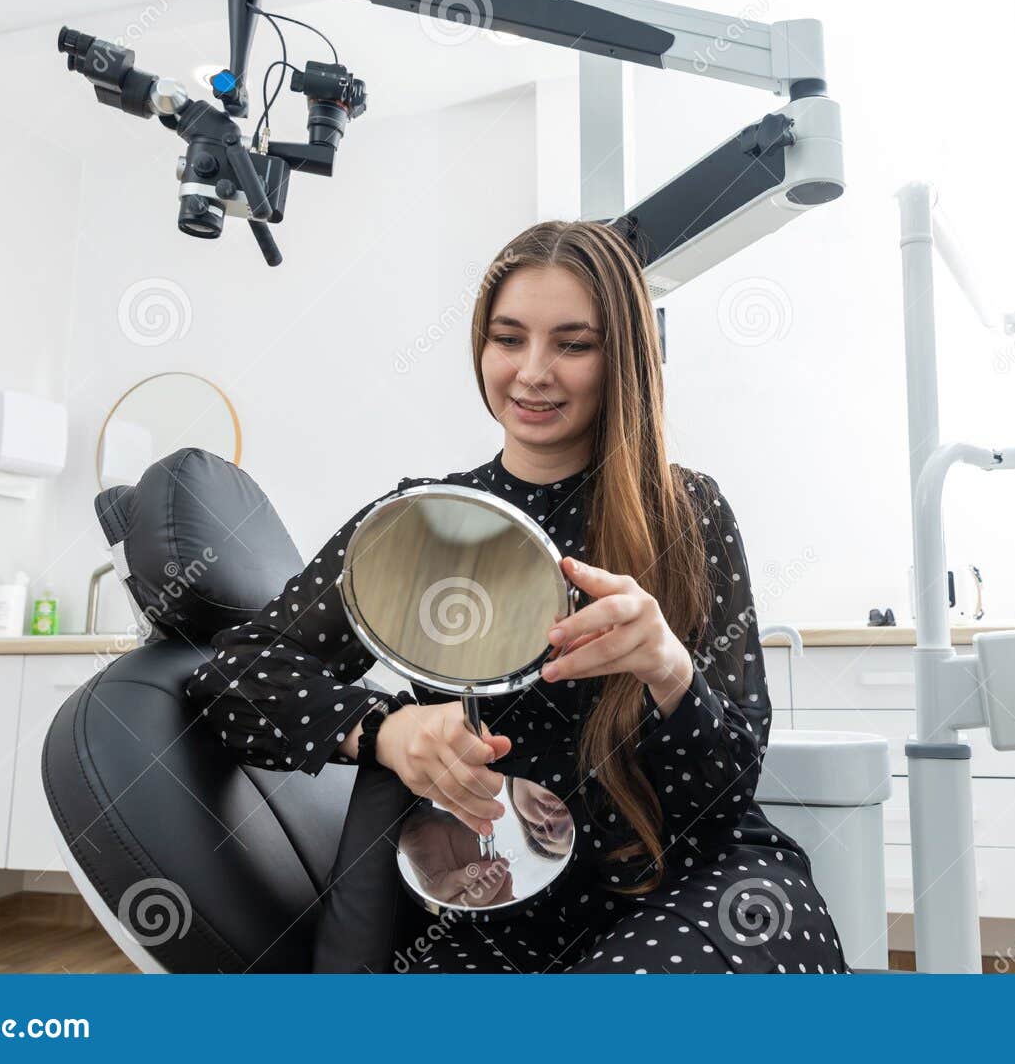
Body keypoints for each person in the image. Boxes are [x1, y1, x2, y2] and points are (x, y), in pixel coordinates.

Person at [185, 219, 849, 974]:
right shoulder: (420, 521)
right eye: (508, 339)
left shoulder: (688, 513)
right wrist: (384, 731)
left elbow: (727, 790)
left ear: (622, 357)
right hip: (493, 903)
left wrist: (670, 670)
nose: (532, 372)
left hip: (691, 885)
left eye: (573, 344)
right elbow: (234, 676)